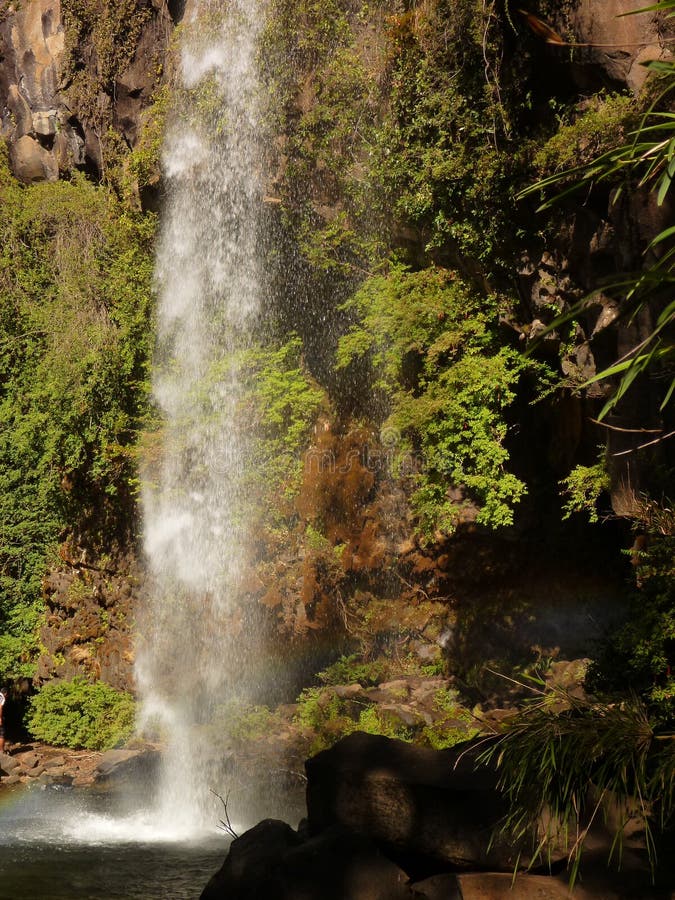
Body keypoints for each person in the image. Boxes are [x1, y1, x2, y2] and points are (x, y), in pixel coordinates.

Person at [0, 686, 6, 752]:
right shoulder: (2, 697)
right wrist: (0, 718)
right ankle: (1, 751)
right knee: (1, 735)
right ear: (5, 693)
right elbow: (0, 708)